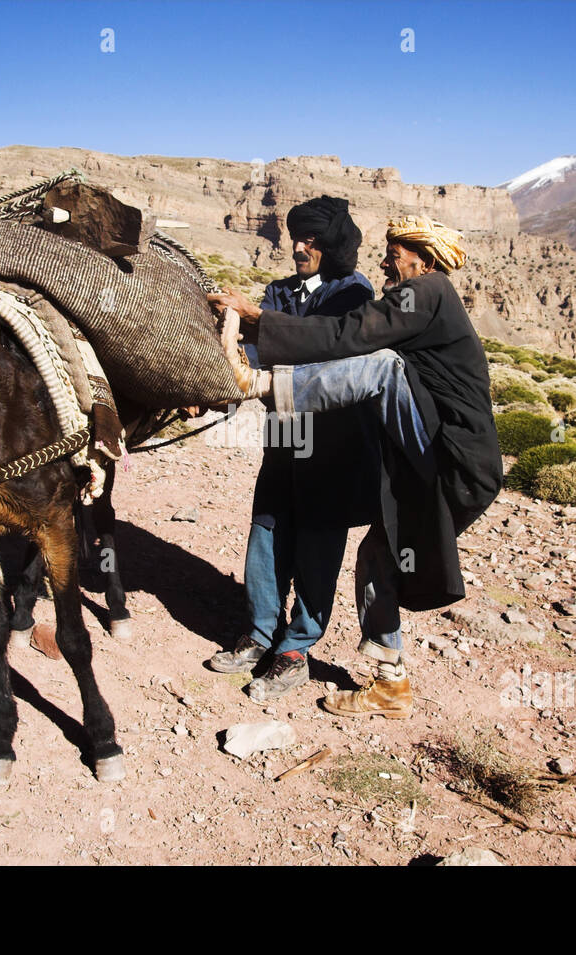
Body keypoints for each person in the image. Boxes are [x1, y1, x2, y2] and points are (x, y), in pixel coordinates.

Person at [208, 215, 502, 719]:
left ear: (424, 259)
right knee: (376, 561)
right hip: (423, 461)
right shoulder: (403, 297)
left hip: (452, 457)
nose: (386, 260)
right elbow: (336, 335)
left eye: (396, 252)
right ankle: (391, 684)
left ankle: (257, 385)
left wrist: (255, 326)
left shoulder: (428, 291)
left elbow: (348, 335)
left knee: (384, 365)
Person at [207, 196, 377, 704]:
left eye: (312, 241)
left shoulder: (354, 293)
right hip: (284, 432)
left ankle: (297, 648)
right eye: (298, 238)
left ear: (332, 246)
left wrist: (256, 317)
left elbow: (326, 344)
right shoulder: (279, 290)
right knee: (267, 529)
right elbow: (257, 353)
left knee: (318, 540)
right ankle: (260, 633)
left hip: (332, 438)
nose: (300, 248)